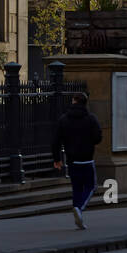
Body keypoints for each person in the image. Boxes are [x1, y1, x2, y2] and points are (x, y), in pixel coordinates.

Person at [52, 91, 102, 229]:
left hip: (72, 160)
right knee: (91, 186)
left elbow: (56, 141)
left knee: (77, 187)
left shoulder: (64, 119)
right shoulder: (91, 119)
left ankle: (77, 210)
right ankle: (79, 208)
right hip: (87, 159)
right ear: (85, 103)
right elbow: (98, 137)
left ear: (73, 101)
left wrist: (57, 159)